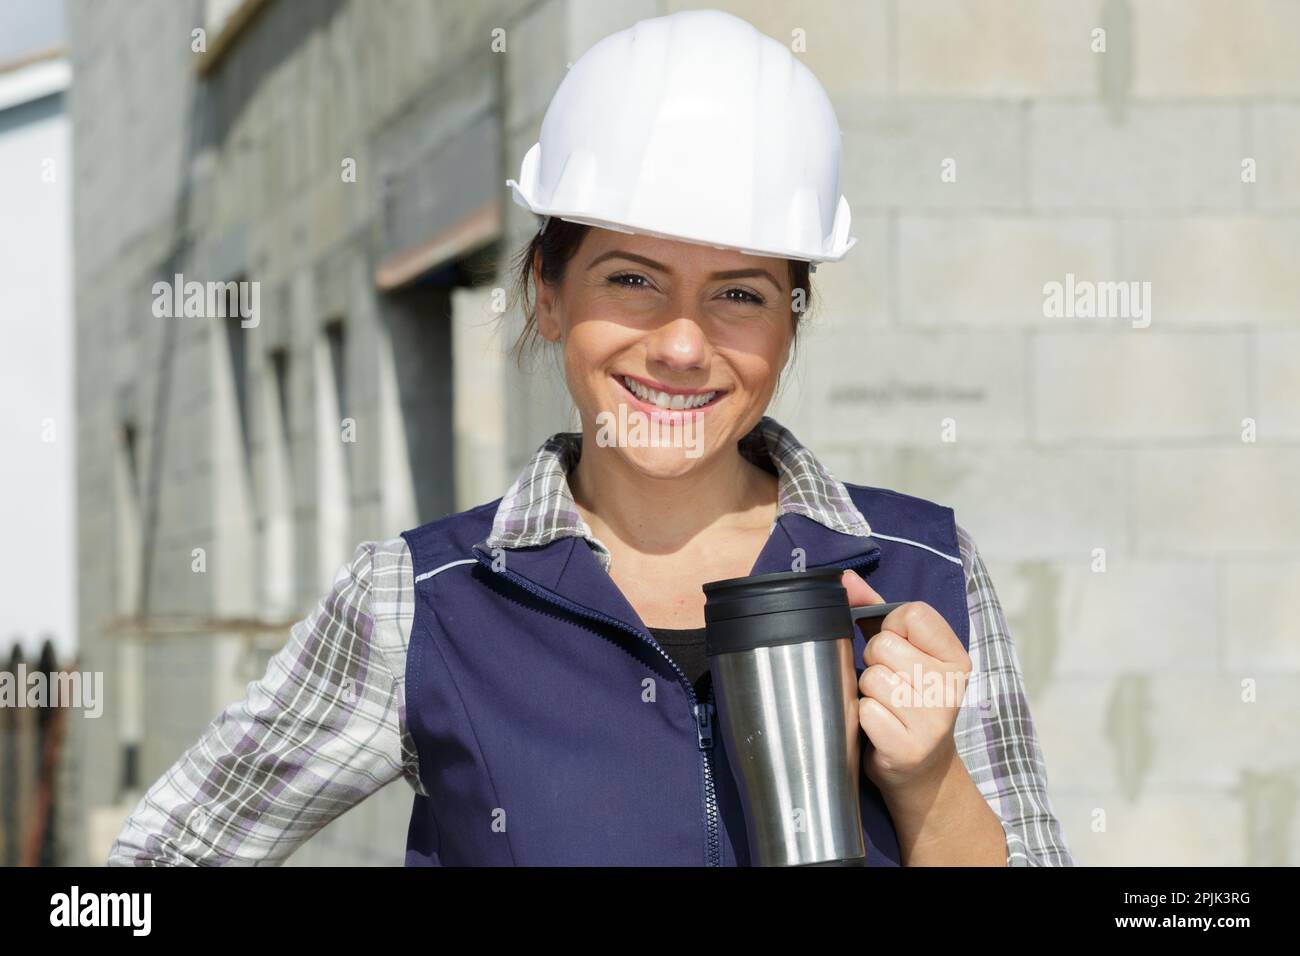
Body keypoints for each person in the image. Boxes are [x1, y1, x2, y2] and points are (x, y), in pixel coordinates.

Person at [108, 8, 1072, 867]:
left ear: (790, 320)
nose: (685, 345)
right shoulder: (425, 600)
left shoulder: (923, 570)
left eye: (739, 293)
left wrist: (927, 778)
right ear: (549, 293)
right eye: (632, 279)